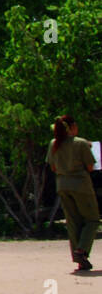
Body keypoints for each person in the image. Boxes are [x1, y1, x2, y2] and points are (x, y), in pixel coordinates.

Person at [46, 114, 98, 272]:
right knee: (92, 220)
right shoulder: (81, 143)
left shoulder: (54, 143)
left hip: (62, 185)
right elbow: (90, 167)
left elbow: (53, 168)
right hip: (81, 186)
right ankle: (81, 250)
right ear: (73, 126)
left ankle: (80, 260)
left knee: (73, 222)